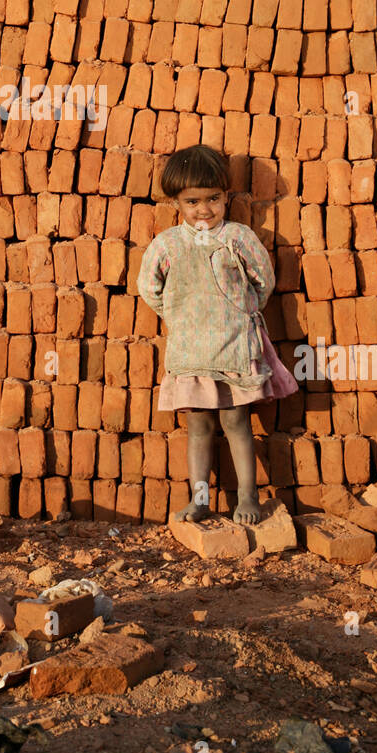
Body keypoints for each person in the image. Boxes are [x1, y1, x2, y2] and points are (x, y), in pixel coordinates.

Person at [137, 144, 298, 526]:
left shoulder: (238, 238)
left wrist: (241, 312)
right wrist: (178, 316)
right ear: (176, 201)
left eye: (213, 198)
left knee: (237, 423)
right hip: (191, 355)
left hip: (232, 352)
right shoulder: (167, 244)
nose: (204, 209)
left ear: (226, 197)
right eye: (193, 201)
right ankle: (200, 500)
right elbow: (149, 287)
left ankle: (248, 496)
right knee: (198, 429)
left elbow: (264, 280)